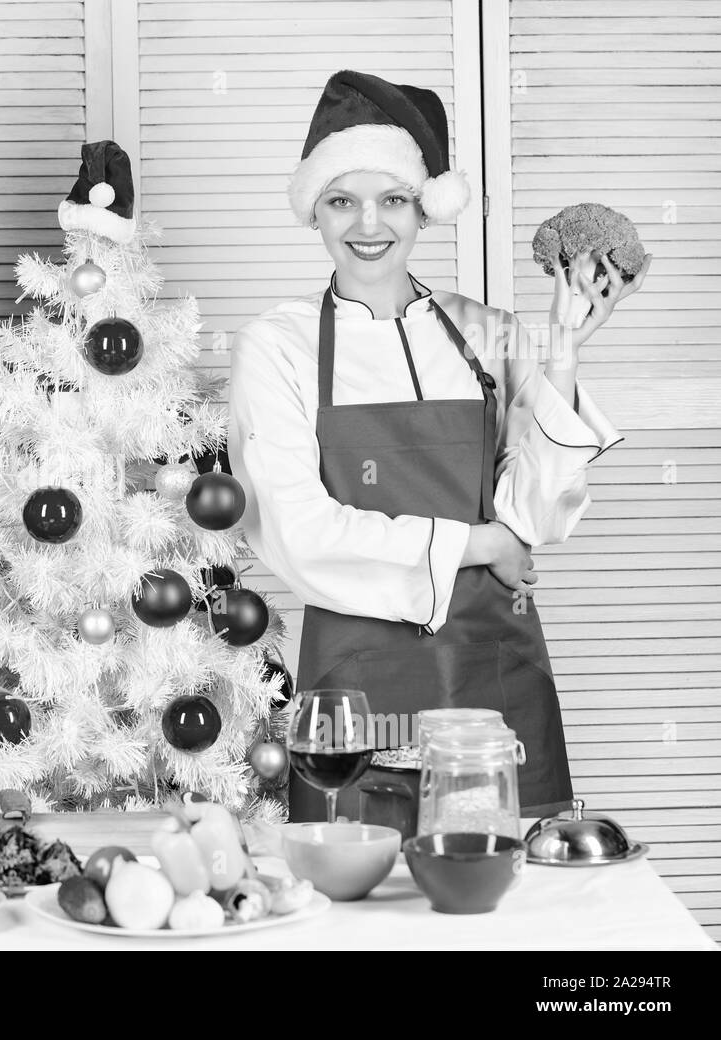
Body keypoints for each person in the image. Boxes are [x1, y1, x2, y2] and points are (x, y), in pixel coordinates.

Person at [227, 70, 650, 818]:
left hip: (497, 674)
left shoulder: (486, 332)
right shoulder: (280, 346)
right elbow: (302, 532)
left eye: (392, 198)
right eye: (341, 200)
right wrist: (483, 544)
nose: (368, 224)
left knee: (508, 907)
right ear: (314, 213)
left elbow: (539, 517)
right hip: (357, 699)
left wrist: (563, 355)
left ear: (425, 206)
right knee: (360, 911)